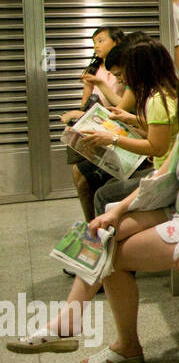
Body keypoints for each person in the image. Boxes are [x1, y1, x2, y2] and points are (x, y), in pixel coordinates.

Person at [8, 70, 179, 363]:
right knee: (100, 234)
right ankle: (70, 321)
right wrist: (115, 211)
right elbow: (159, 177)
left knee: (113, 260)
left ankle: (124, 345)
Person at [87, 39, 179, 219]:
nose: (124, 79)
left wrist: (112, 139)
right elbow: (166, 128)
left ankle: (103, 239)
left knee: (103, 195)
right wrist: (131, 119)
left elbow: (156, 147)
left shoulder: (157, 100)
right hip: (171, 168)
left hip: (165, 175)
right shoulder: (171, 90)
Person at [63, 27, 128, 221]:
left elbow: (122, 107)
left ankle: (97, 224)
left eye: (101, 41)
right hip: (98, 127)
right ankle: (90, 222)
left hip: (117, 130)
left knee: (86, 179)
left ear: (117, 42)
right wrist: (78, 116)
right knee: (80, 175)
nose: (96, 46)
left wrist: (101, 85)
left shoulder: (126, 70)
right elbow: (86, 103)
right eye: (94, 42)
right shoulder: (93, 70)